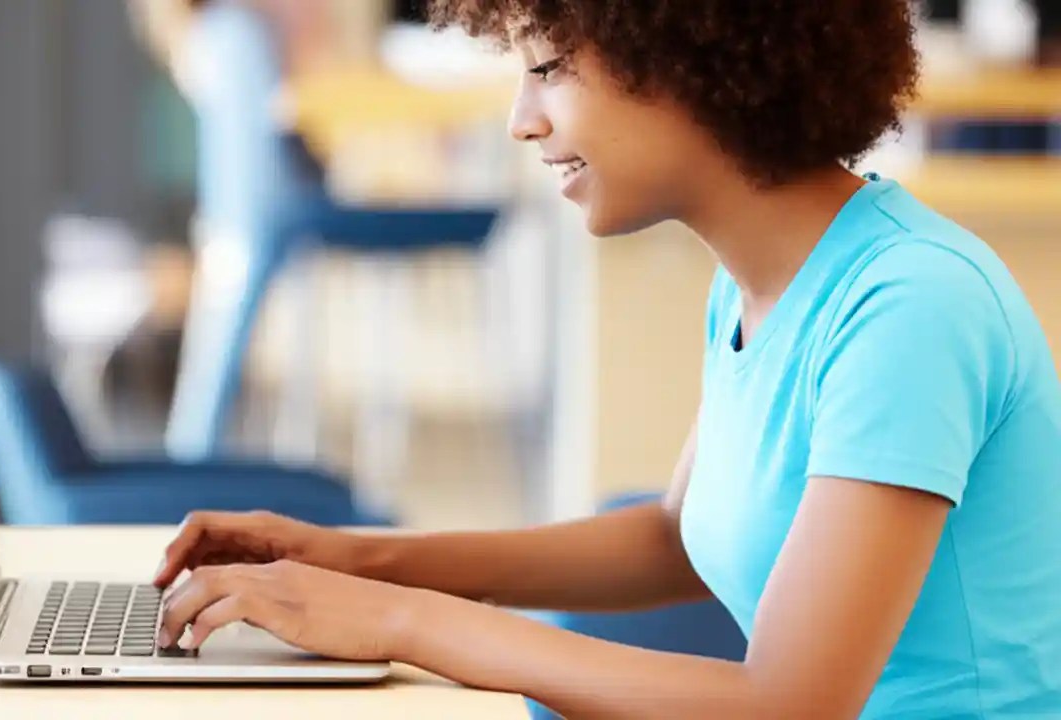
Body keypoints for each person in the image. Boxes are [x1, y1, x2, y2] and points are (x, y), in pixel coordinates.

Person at [150, 2, 1061, 717]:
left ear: (691, 57)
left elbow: (788, 705)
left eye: (548, 68)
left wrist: (395, 621)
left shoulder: (910, 306)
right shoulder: (764, 284)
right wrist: (363, 561)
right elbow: (675, 540)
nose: (520, 119)